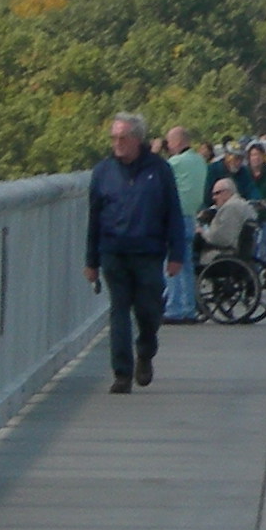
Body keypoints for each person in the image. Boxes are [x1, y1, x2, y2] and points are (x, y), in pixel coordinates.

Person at [86, 111, 186, 395]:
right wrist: (91, 261)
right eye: (114, 138)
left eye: (123, 138)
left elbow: (173, 213)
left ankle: (146, 350)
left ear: (137, 140)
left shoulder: (159, 170)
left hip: (148, 252)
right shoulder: (103, 172)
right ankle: (122, 373)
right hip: (113, 252)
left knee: (148, 310)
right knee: (118, 311)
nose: (117, 143)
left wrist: (176, 254)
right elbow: (94, 218)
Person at [161, 124, 212, 323]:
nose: (168, 145)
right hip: (191, 216)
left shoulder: (176, 162)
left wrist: (156, 152)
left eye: (170, 141)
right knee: (187, 266)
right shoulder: (200, 161)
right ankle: (189, 308)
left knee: (172, 265)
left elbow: (156, 172)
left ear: (179, 141)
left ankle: (174, 308)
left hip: (174, 217)